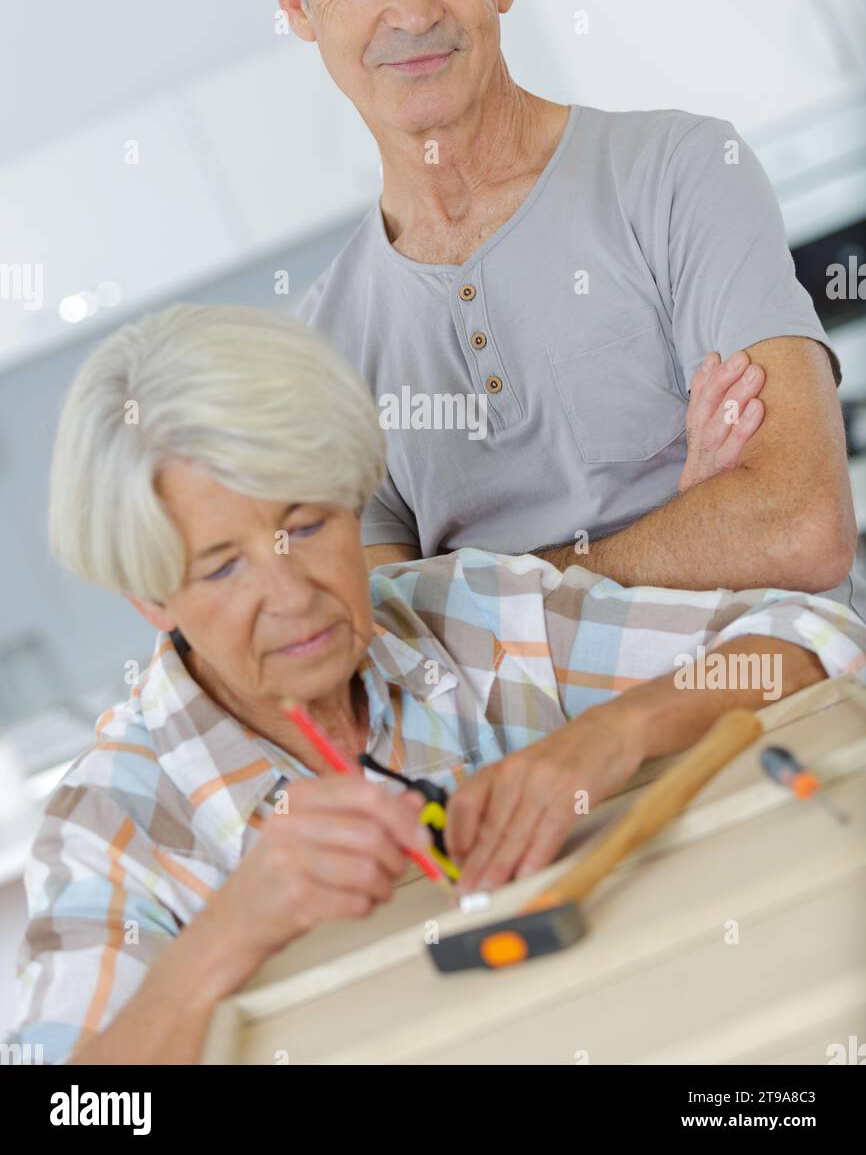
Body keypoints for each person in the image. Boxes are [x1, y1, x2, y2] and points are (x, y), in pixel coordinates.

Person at [7, 304, 866, 1064]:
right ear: (152, 597)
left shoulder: (465, 619)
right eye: (223, 568)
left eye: (306, 524)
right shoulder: (109, 825)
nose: (292, 594)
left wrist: (615, 731)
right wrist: (229, 935)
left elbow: (814, 634)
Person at [265, 0, 861, 615]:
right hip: (552, 751)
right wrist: (691, 532)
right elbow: (392, 651)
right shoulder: (321, 358)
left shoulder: (678, 171)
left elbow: (799, 525)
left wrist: (464, 585)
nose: (411, 9)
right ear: (295, 0)